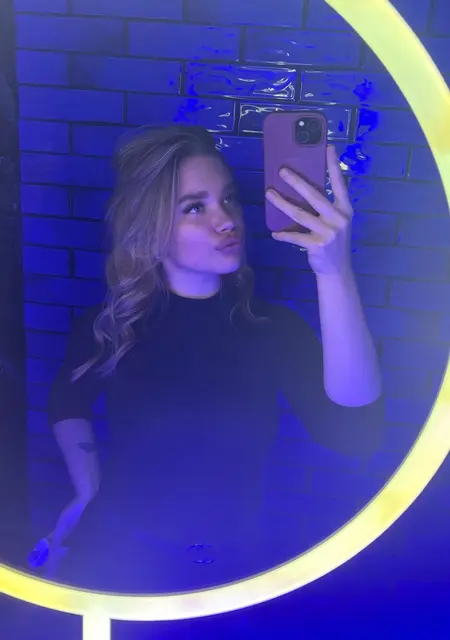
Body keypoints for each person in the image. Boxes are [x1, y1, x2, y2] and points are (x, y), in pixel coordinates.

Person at [44, 125, 384, 603]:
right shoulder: (112, 325)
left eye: (228, 199)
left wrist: (335, 272)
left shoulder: (273, 330)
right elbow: (67, 398)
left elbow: (356, 435)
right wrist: (86, 489)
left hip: (237, 572)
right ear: (152, 229)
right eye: (194, 207)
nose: (226, 220)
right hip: (121, 561)